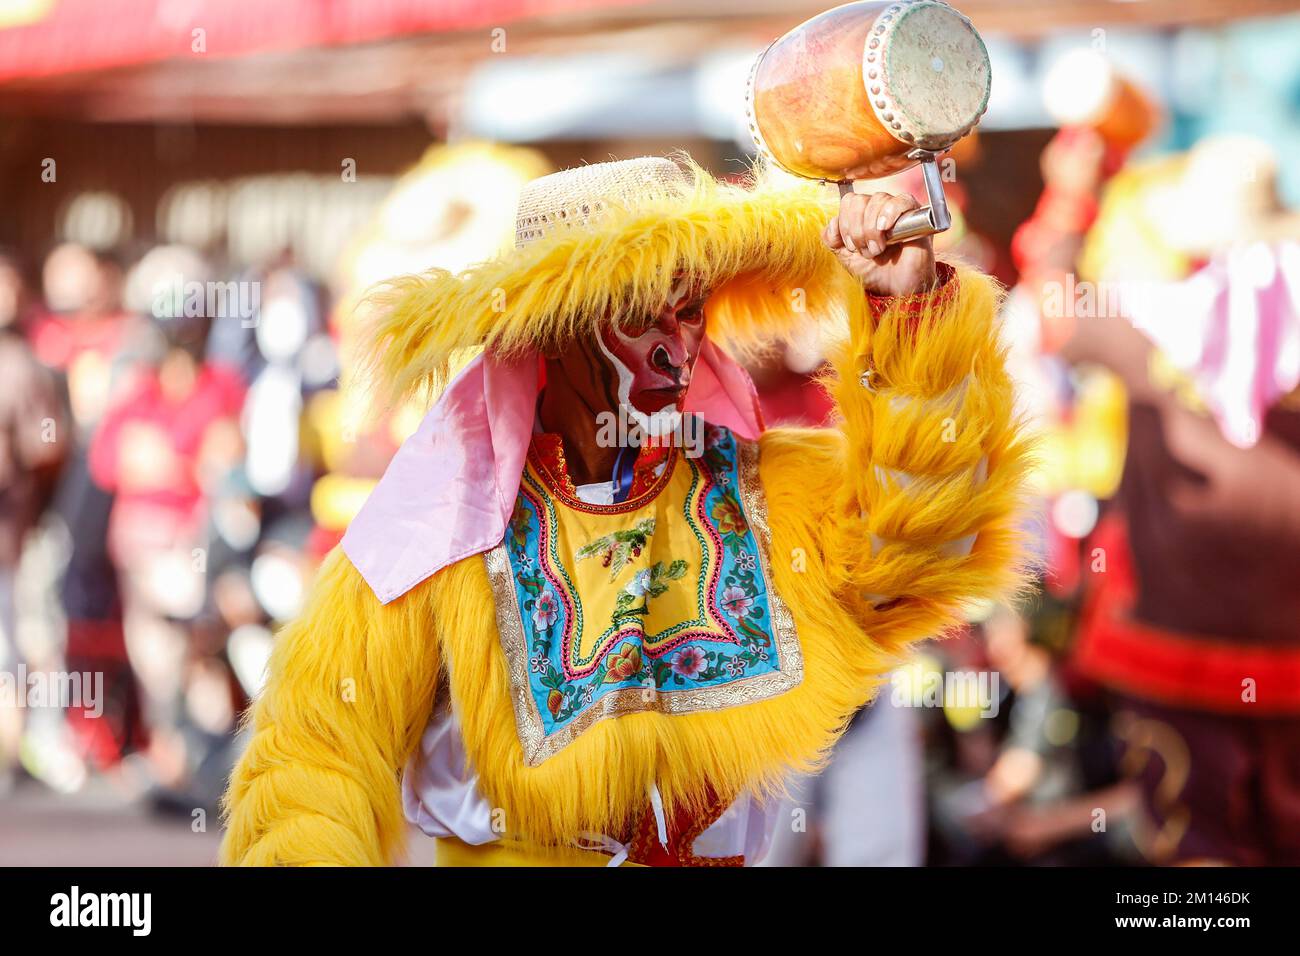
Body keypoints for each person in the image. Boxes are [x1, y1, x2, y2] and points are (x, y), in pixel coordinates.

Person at [221, 156, 1031, 866]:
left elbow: (927, 543)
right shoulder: (437, 538)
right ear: (555, 330)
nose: (676, 348)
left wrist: (909, 314)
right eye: (643, 315)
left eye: (691, 313)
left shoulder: (758, 492)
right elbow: (312, 763)